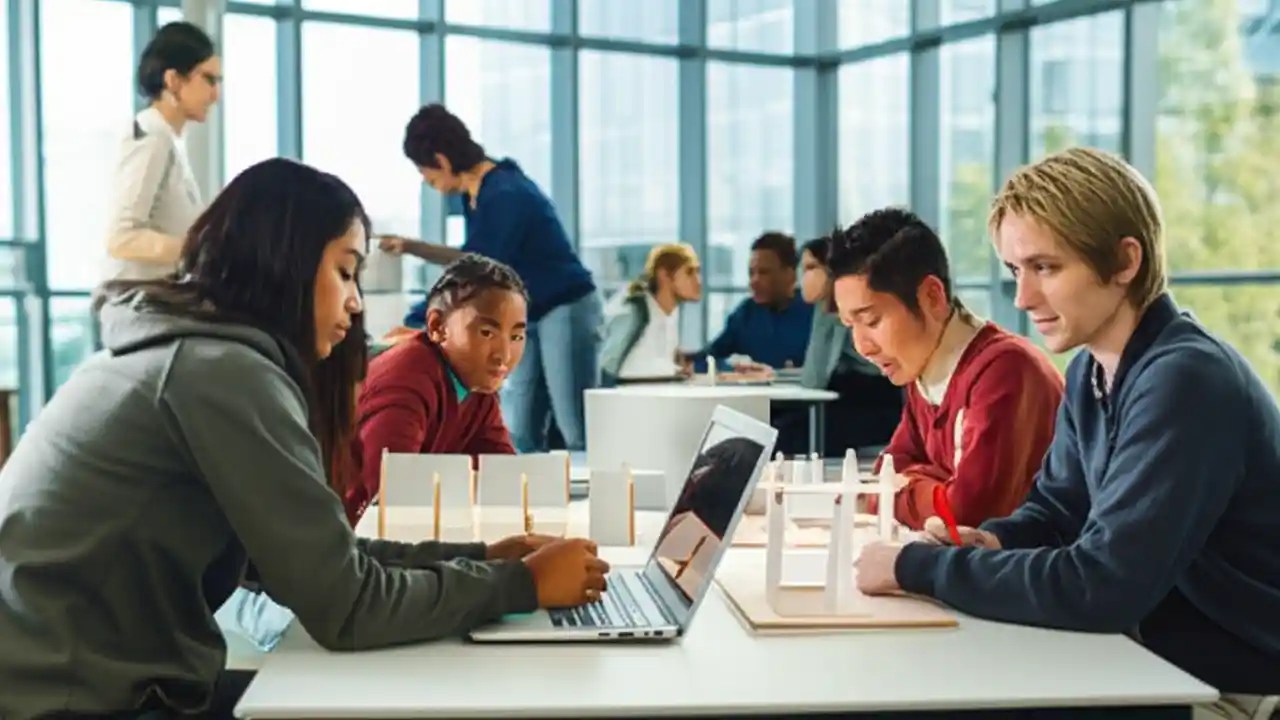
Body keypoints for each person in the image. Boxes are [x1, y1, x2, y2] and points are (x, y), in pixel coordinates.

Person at [0, 158, 609, 719]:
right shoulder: (221, 373)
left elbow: (329, 558)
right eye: (345, 270)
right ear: (284, 258)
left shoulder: (193, 354)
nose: (354, 303)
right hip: (75, 699)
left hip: (88, 679)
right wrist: (521, 585)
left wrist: (484, 558)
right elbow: (346, 605)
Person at [856, 148, 1280, 702]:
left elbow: (1102, 586)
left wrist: (920, 567)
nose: (1023, 297)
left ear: (1125, 262)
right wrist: (995, 539)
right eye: (1015, 270)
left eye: (1046, 268)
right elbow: (1057, 511)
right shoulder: (1090, 371)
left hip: (1230, 688)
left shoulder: (1185, 378)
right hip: (1147, 661)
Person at [381, 103, 601, 453]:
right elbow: (474, 256)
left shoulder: (505, 192)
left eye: (427, 173)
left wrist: (418, 318)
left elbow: (477, 270)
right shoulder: (478, 194)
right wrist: (412, 247)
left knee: (573, 425)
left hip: (564, 304)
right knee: (521, 422)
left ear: (442, 159)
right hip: (528, 313)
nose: (429, 182)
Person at [829, 208, 1063, 530]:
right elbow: (886, 471)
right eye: (849, 325)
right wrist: (929, 487)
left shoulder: (1004, 370)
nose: (862, 346)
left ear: (932, 297)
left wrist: (905, 488)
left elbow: (966, 515)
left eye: (871, 321)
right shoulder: (922, 363)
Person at [354, 254, 528, 522]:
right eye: (487, 333)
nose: (504, 354)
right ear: (437, 327)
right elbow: (386, 492)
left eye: (516, 336)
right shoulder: (407, 378)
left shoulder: (477, 388)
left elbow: (502, 479)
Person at [105, 21, 220, 282]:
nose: (216, 95)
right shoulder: (152, 136)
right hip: (139, 309)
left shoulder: (167, 140)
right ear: (173, 81)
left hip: (156, 304)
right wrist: (200, 249)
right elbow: (122, 237)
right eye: (208, 79)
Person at [788, 236, 903, 455]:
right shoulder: (829, 310)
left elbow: (814, 380)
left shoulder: (835, 315)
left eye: (811, 268)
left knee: (786, 434)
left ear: (831, 273)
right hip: (866, 404)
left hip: (874, 409)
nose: (802, 280)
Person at [686, 232, 813, 372]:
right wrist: (735, 369)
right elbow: (705, 359)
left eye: (764, 272)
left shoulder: (815, 314)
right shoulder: (746, 313)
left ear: (790, 275)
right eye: (751, 273)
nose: (754, 281)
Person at [599, 243, 702, 385]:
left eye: (698, 272)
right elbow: (607, 367)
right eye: (689, 272)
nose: (698, 281)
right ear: (664, 275)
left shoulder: (670, 313)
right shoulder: (634, 311)